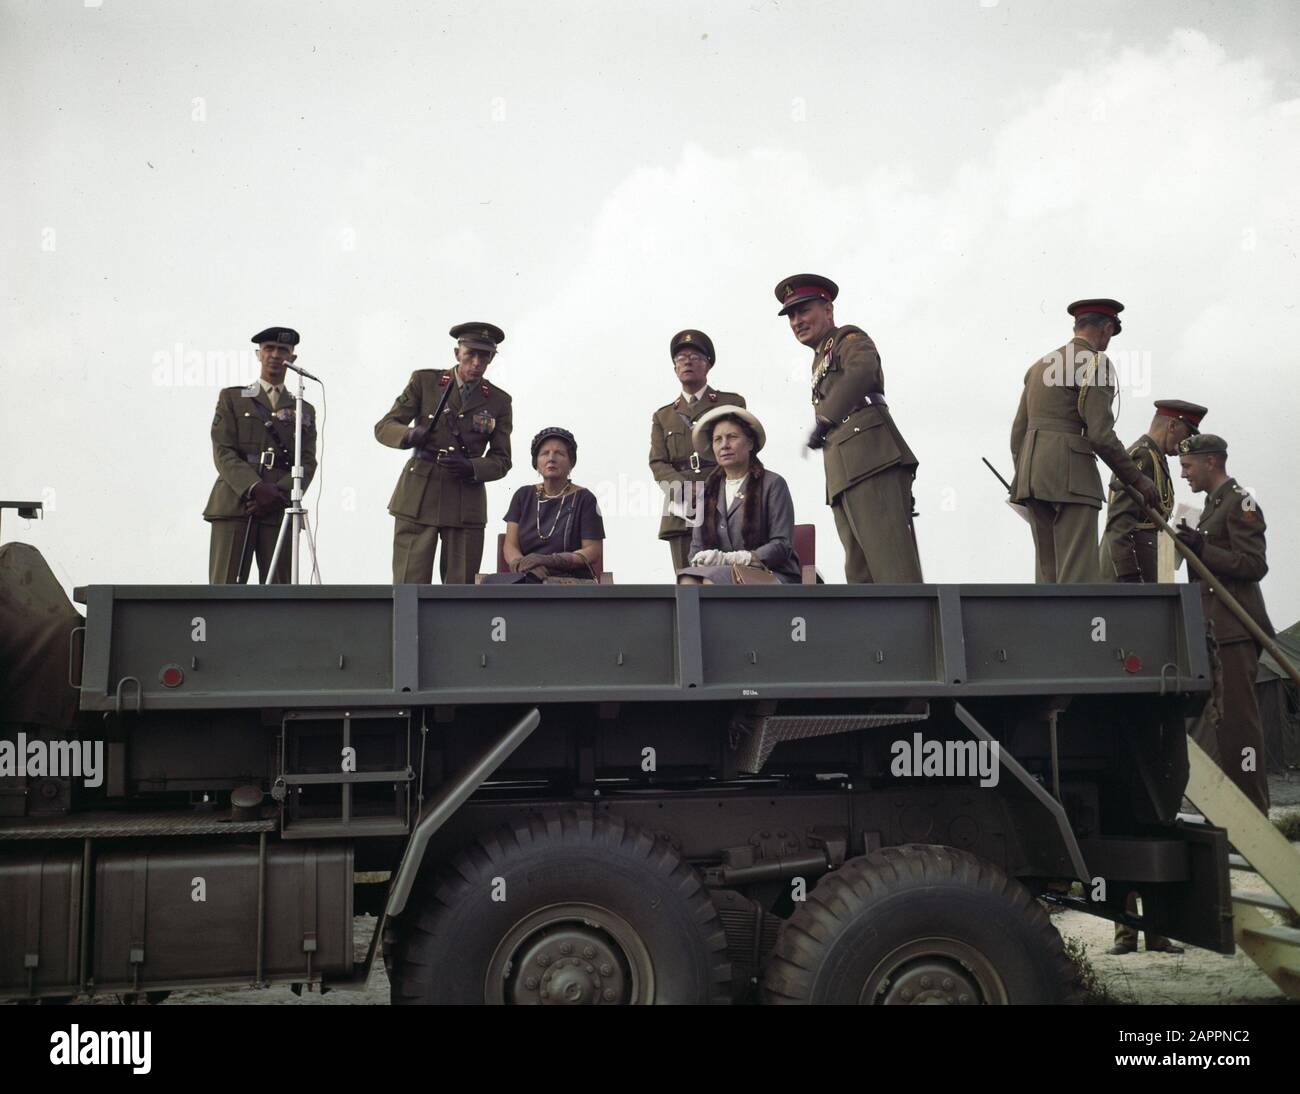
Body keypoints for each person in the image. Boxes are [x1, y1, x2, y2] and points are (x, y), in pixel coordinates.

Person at [775, 273, 921, 583]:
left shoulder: (848, 339)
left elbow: (863, 370)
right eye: (791, 315)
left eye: (804, 311)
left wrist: (826, 418)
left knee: (892, 566)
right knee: (860, 573)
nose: (797, 321)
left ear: (828, 309)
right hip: (843, 470)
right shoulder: (818, 360)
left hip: (872, 459)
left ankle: (911, 630)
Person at [1010, 298, 1160, 582]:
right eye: (1110, 334)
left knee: (1047, 574)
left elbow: (1018, 432)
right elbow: (1101, 435)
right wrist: (1137, 480)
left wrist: (1024, 476)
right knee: (1077, 574)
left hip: (1032, 477)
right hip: (1073, 479)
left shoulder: (1039, 366)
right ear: (1105, 328)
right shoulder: (1094, 363)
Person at [1176, 434, 1273, 814]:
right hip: (1214, 630)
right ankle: (1230, 817)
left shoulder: (1241, 502)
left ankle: (1254, 819)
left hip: (1234, 629)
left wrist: (1202, 549)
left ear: (1210, 463)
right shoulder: (1211, 507)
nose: (1184, 474)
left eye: (1188, 467)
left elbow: (1254, 565)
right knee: (1218, 728)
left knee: (1240, 729)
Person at [374, 323, 513, 584]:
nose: (476, 362)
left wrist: (472, 467)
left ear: (492, 358)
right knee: (409, 586)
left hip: (465, 500)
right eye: (470, 353)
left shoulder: (499, 401)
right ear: (456, 353)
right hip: (418, 496)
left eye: (485, 356)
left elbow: (502, 460)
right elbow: (384, 427)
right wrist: (409, 435)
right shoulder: (424, 382)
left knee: (459, 593)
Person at [204, 326, 317, 584]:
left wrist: (280, 494)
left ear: (293, 359)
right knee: (225, 589)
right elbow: (223, 450)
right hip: (236, 502)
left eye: (283, 350)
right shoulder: (233, 398)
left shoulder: (303, 407)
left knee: (280, 593)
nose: (275, 355)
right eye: (269, 349)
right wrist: (254, 488)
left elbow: (308, 461)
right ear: (258, 354)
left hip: (278, 508)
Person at [649, 330, 746, 572]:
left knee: (729, 577)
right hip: (681, 510)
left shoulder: (730, 403)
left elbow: (742, 451)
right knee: (687, 584)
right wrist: (682, 488)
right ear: (674, 368)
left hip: (724, 501)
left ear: (708, 364)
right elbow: (658, 462)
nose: (687, 362)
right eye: (681, 358)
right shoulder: (664, 416)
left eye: (694, 356)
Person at [676, 407, 800, 585]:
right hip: (724, 574)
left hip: (770, 574)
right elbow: (696, 548)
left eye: (732, 437)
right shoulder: (708, 491)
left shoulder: (773, 483)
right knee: (687, 580)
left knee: (711, 581)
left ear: (750, 443)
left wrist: (741, 558)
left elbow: (781, 545)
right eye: (718, 439)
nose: (724, 445)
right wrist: (703, 558)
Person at [1099, 399, 1207, 582]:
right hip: (1128, 574)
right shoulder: (1143, 456)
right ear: (1172, 426)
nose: (1186, 443)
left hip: (1149, 567)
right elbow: (1119, 522)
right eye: (1187, 435)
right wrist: (1129, 576)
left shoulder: (1157, 458)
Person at [481, 427, 605, 584]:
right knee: (489, 583)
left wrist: (550, 561)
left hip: (571, 582)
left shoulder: (585, 499)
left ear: (571, 462)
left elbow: (592, 551)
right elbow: (510, 545)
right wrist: (521, 564)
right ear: (536, 463)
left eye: (559, 453)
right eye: (545, 453)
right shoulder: (523, 495)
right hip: (529, 577)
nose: (551, 458)